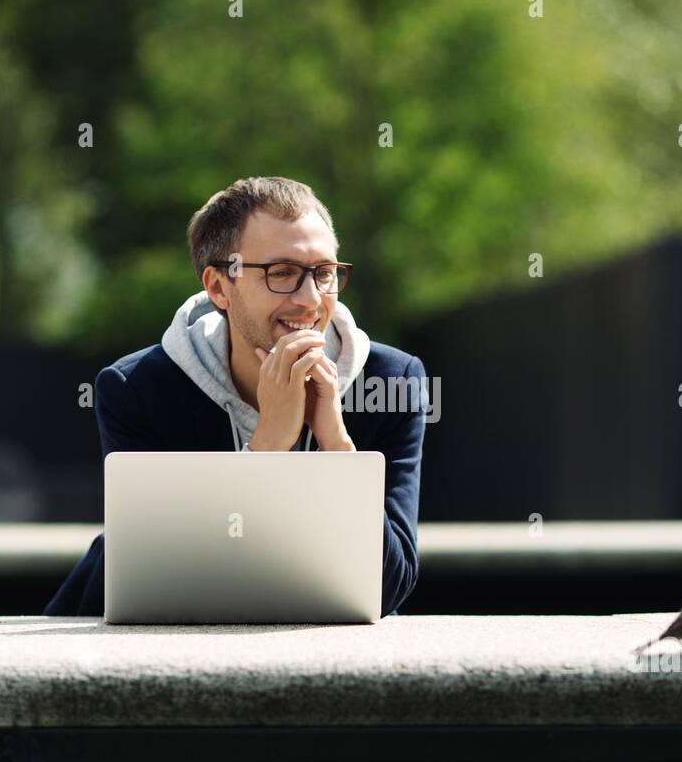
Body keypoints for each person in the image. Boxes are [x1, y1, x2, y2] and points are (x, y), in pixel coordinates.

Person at [44, 176, 427, 618]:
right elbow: (161, 582)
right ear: (219, 288)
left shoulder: (390, 381)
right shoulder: (138, 389)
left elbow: (389, 589)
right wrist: (266, 449)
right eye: (281, 273)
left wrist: (336, 449)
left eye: (324, 273)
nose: (310, 299)